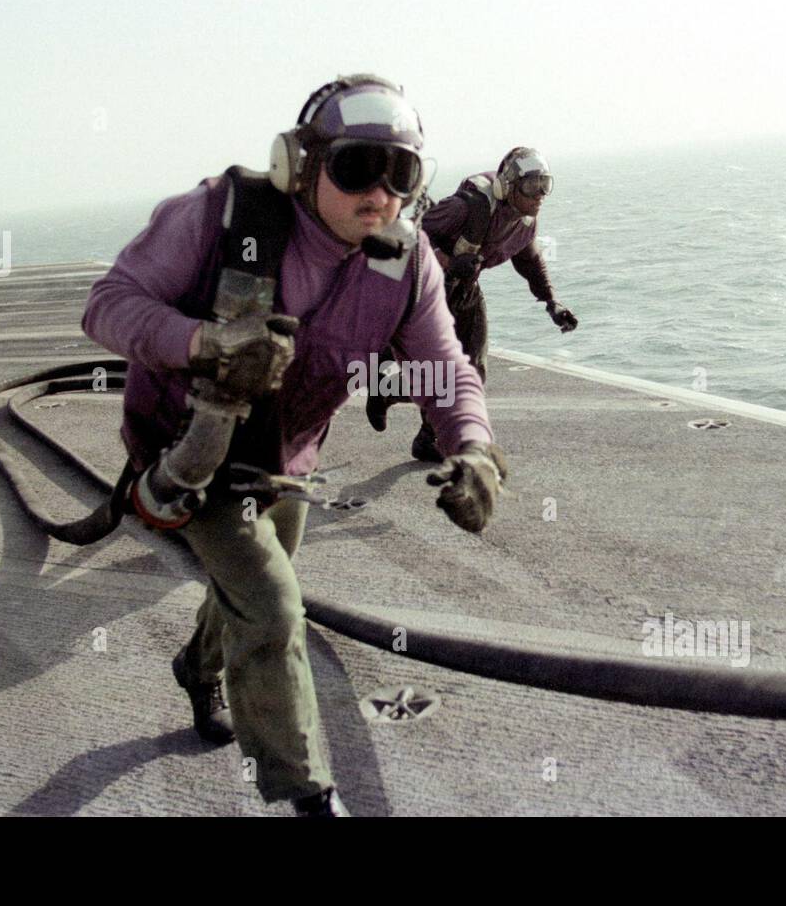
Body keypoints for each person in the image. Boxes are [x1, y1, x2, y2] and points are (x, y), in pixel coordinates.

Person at [80, 74, 508, 817]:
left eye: (400, 174)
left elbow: (445, 368)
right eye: (355, 169)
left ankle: (196, 665)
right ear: (300, 166)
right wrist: (202, 343)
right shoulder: (216, 218)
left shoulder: (405, 266)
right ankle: (306, 795)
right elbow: (107, 305)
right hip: (189, 449)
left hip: (286, 463)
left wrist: (472, 446)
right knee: (276, 609)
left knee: (252, 587)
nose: (379, 195)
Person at [367, 147, 579, 462]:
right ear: (508, 185)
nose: (540, 195)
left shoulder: (524, 221)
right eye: (532, 186)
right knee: (432, 371)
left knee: (473, 375)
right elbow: (411, 236)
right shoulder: (465, 208)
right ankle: (388, 390)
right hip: (426, 291)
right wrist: (448, 261)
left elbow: (529, 259)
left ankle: (429, 437)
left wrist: (551, 301)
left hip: (464, 291)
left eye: (545, 185)